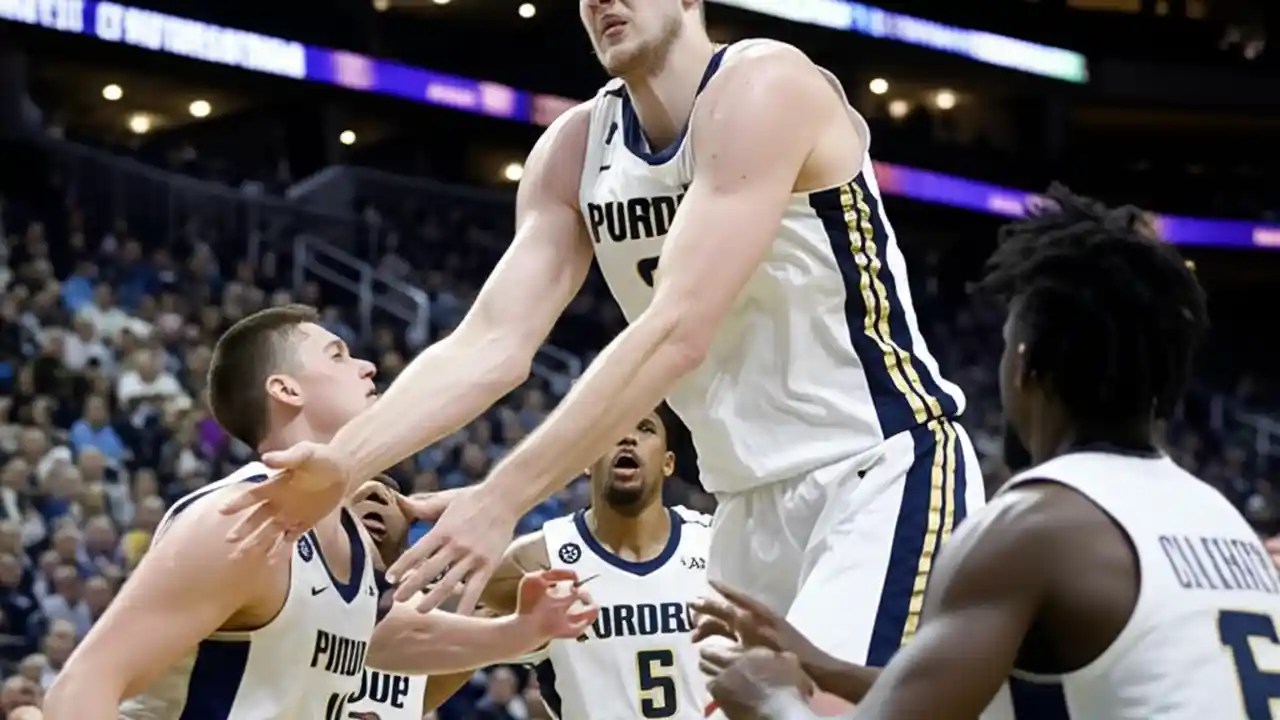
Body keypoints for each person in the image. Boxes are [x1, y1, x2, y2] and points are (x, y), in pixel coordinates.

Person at [220, 0, 983, 705]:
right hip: (745, 505)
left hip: (877, 467)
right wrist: (340, 466)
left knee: (822, 714)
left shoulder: (765, 85)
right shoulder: (575, 150)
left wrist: (503, 495)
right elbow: (491, 343)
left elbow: (677, 327)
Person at [693, 186, 1278, 720]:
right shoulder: (1219, 519)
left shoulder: (1037, 526)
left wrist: (769, 698)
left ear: (1024, 365)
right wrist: (819, 663)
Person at [41, 305, 597, 720]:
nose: (368, 366)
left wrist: (519, 633)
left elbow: (379, 636)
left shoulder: (346, 530)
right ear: (285, 389)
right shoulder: (241, 518)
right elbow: (80, 690)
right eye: (338, 354)